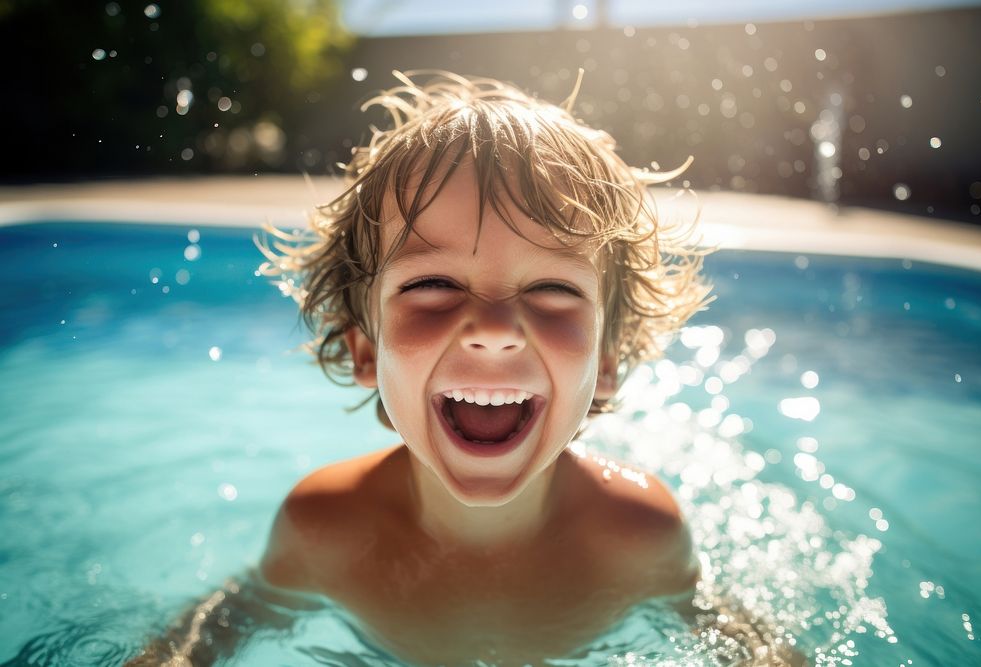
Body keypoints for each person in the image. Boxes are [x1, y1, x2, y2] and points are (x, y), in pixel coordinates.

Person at [134, 70, 785, 666]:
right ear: (366, 348)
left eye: (553, 291)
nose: (496, 332)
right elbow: (209, 636)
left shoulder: (637, 534)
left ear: (607, 363)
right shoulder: (325, 526)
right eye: (435, 283)